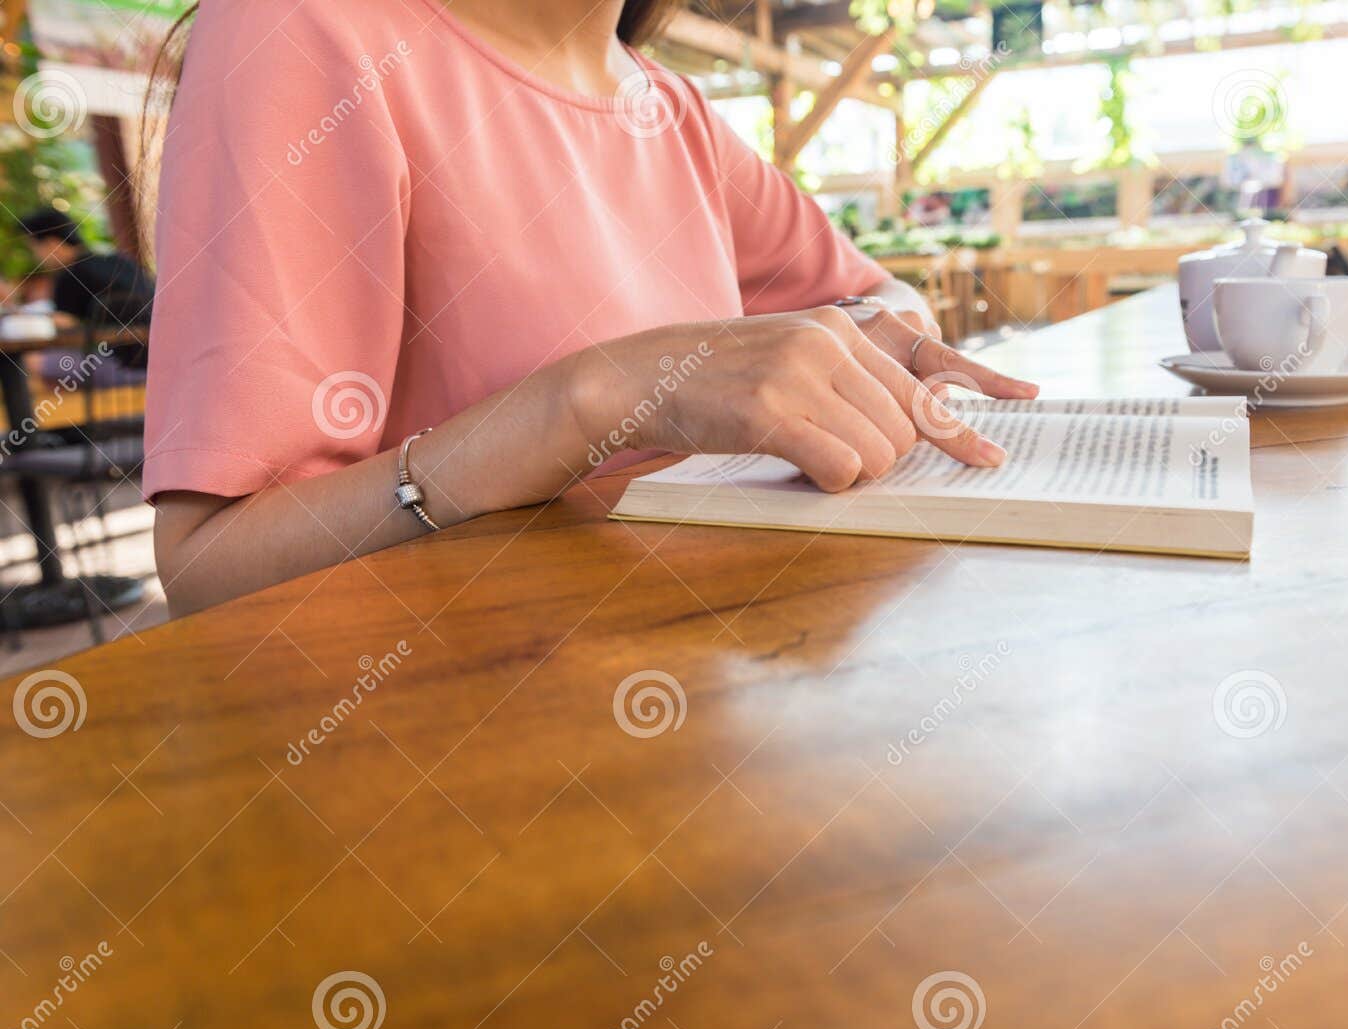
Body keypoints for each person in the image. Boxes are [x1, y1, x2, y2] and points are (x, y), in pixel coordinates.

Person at [144, 0, 1040, 615]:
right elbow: (209, 565)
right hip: (449, 746)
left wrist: (859, 336)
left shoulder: (668, 107)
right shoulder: (305, 30)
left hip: (692, 687)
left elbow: (882, 298)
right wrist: (590, 400)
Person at [18, 208, 155, 371]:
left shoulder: (70, 275)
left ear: (51, 244)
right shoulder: (118, 260)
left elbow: (65, 325)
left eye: (34, 248)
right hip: (156, 356)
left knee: (29, 360)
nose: (35, 256)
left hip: (121, 365)